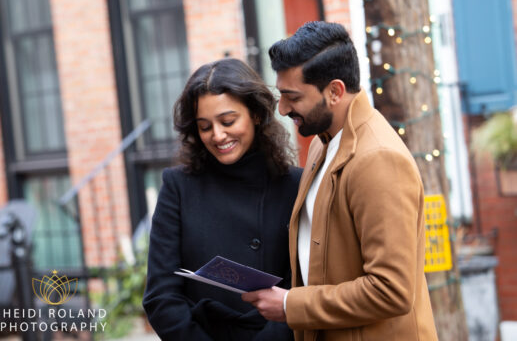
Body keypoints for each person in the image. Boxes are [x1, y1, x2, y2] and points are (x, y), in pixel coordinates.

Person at [242, 21, 437, 341]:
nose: (283, 108)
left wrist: (292, 305)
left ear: (335, 91)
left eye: (292, 96)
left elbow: (392, 290)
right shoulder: (323, 140)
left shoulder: (378, 160)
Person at [143, 58, 302, 341]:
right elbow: (161, 296)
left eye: (228, 121)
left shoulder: (295, 186)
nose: (218, 135)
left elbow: (303, 290)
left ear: (254, 113)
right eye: (205, 127)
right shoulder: (178, 186)